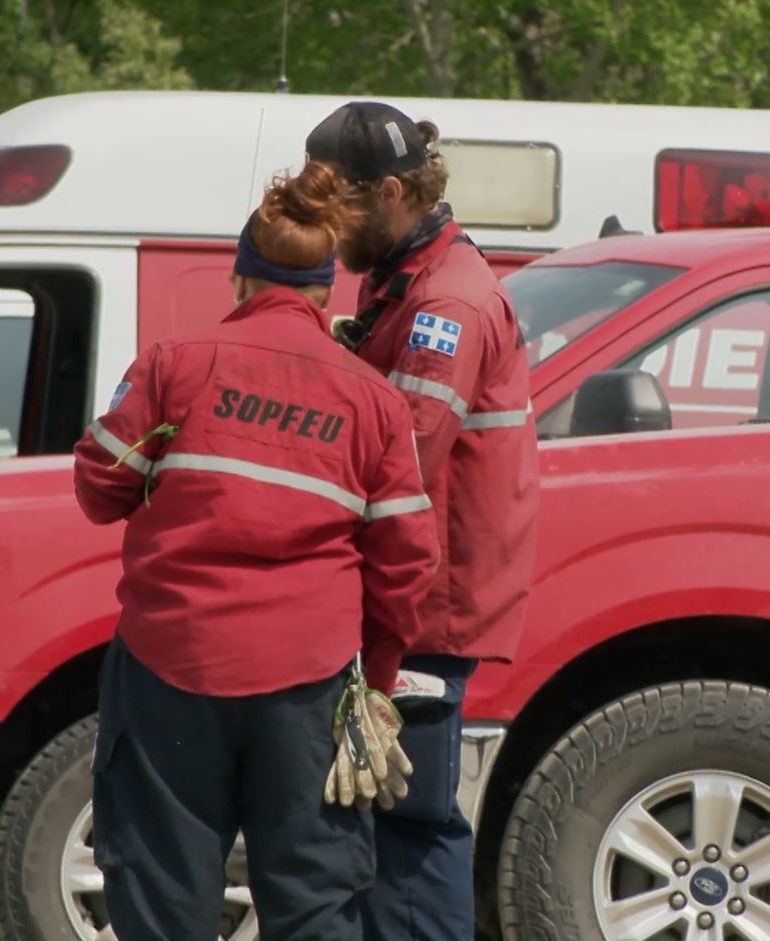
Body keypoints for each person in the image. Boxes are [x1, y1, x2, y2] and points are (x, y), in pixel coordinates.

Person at [73, 160, 439, 941]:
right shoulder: (370, 399)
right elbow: (406, 559)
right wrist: (374, 684)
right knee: (314, 901)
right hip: (308, 689)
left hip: (170, 667)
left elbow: (97, 485)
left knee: (162, 895)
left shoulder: (175, 365)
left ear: (240, 280)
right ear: (323, 292)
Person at [306, 101, 541, 941]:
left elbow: (400, 455)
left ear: (394, 193)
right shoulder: (399, 276)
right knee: (383, 821)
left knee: (408, 826)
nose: (330, 229)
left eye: (341, 207)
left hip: (424, 606)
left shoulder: (451, 305)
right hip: (405, 591)